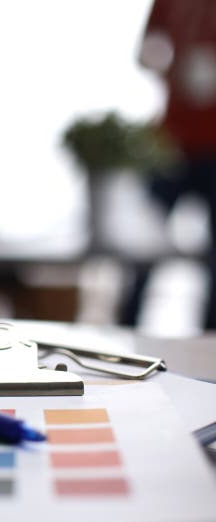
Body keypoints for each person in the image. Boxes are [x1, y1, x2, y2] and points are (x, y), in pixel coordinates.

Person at [135, 0, 216, 328]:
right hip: (171, 143)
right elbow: (145, 51)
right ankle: (125, 330)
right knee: (141, 243)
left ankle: (209, 342)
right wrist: (168, 67)